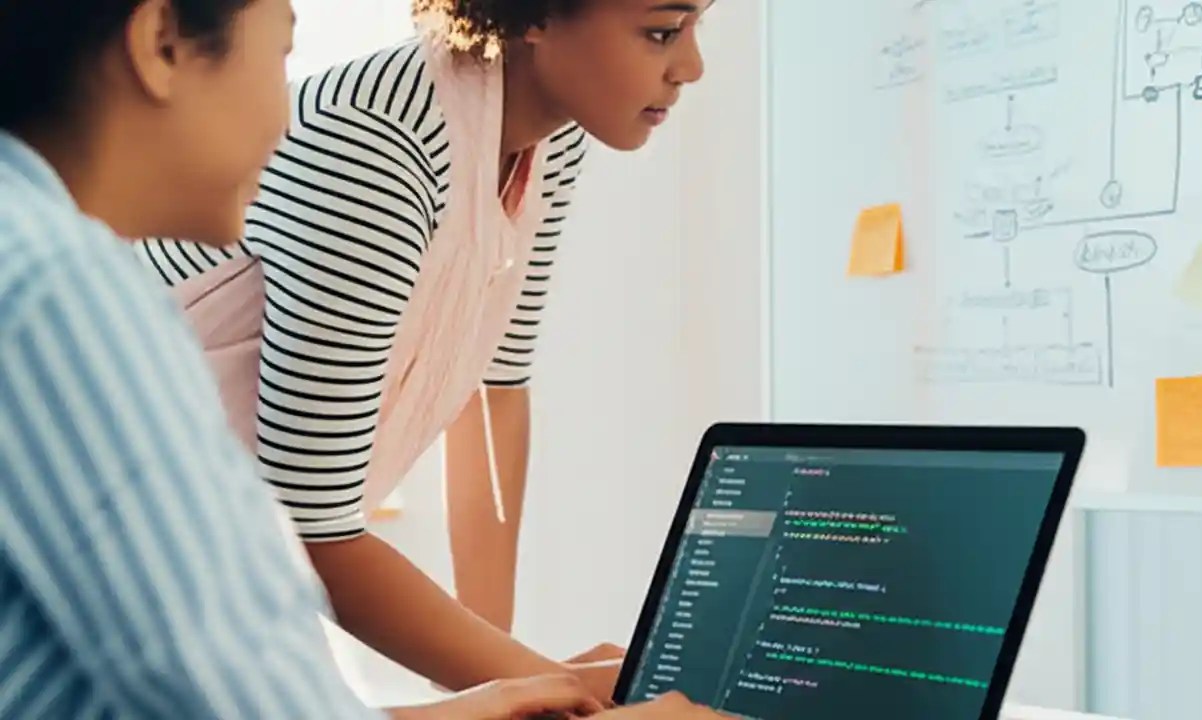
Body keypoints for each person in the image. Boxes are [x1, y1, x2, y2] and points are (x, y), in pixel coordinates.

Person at [0, 0, 724, 718]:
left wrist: (520, 686)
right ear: (162, 44)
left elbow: (491, 388)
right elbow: (299, 553)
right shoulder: (58, 285)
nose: (293, 115)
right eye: (283, 55)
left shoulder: (41, 251)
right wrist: (562, 696)